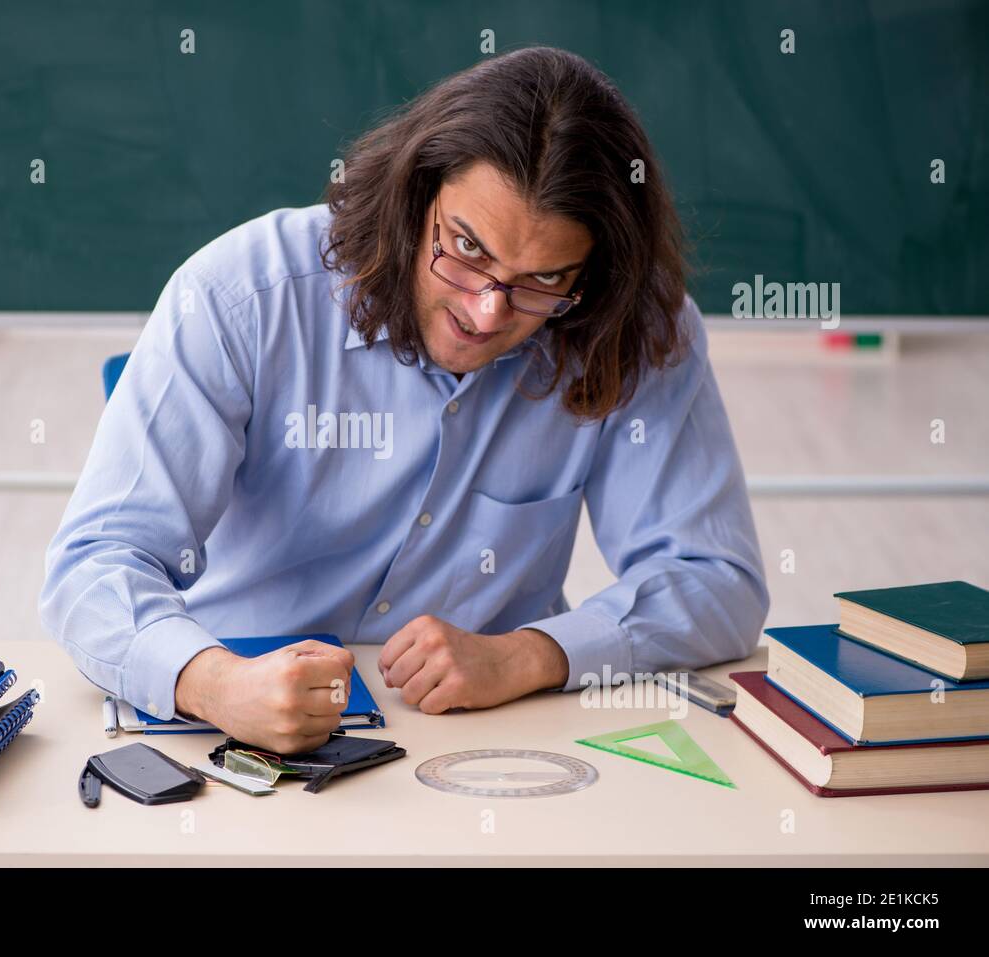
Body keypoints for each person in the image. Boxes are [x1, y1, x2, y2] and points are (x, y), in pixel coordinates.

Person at [41, 47, 769, 754]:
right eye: (467, 249)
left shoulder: (629, 325)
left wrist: (526, 656)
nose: (488, 312)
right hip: (232, 737)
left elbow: (717, 579)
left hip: (495, 741)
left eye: (542, 280)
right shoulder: (240, 297)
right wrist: (211, 682)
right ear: (416, 192)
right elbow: (96, 564)